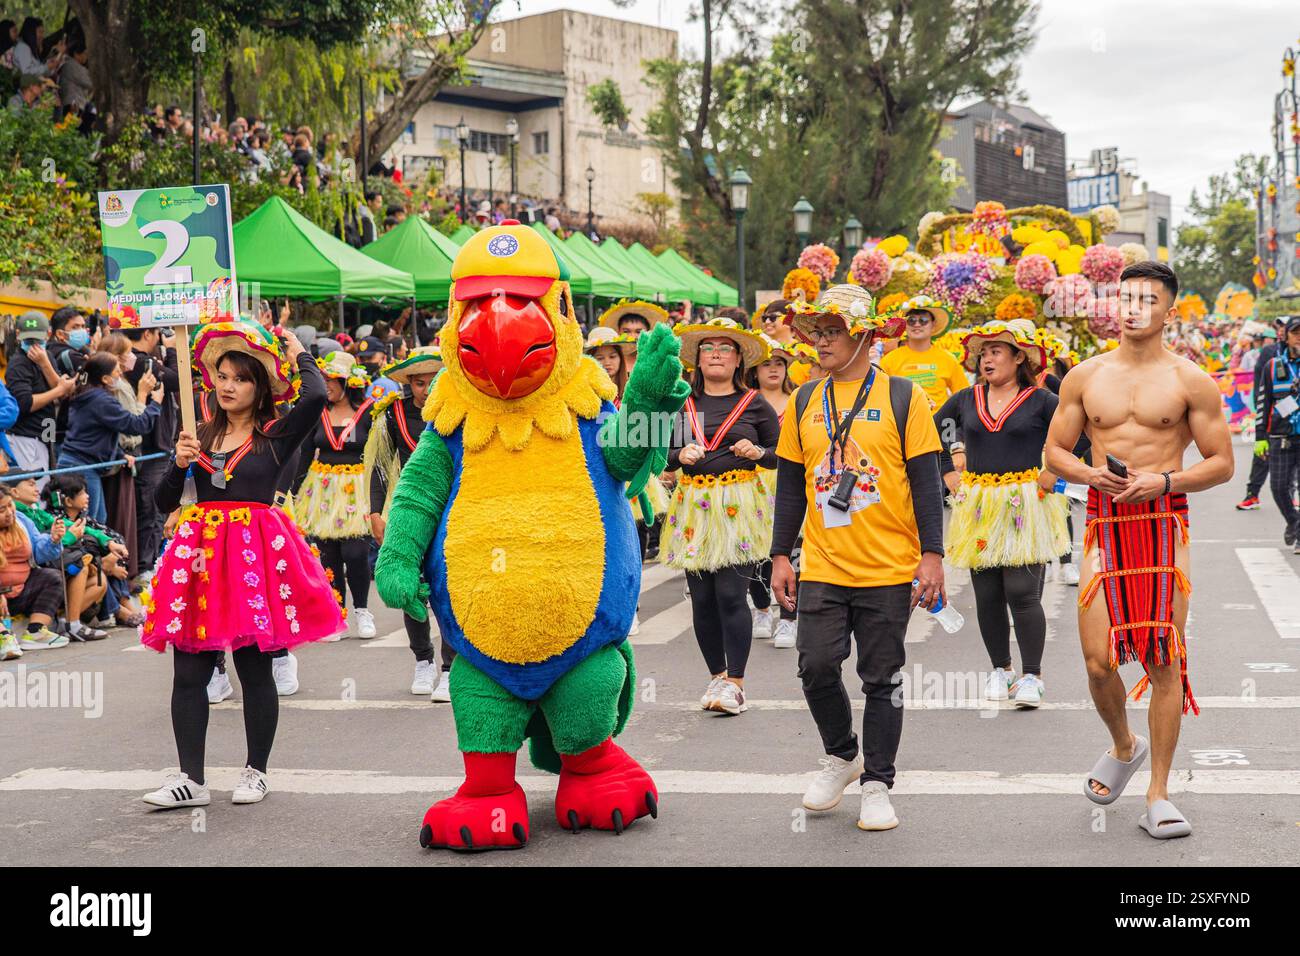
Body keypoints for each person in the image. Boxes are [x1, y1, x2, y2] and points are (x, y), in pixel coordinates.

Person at [1045, 261, 1233, 840]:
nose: (1133, 308)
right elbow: (1055, 452)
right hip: (1104, 521)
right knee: (1099, 660)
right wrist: (1089, 473)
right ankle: (1124, 745)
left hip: (1161, 523)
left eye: (1147, 300)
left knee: (1162, 657)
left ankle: (1158, 791)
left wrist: (1165, 481)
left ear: (1168, 311)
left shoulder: (1190, 380)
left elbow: (1222, 463)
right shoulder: (1084, 376)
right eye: (1125, 298)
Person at [140, 322, 344, 809]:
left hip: (252, 559)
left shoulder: (276, 436)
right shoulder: (201, 434)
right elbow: (163, 500)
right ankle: (191, 779)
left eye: (240, 378)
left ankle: (256, 771)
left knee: (255, 671)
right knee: (188, 672)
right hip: (202, 559)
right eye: (223, 377)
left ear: (259, 387)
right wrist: (179, 463)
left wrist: (298, 352)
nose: (228, 385)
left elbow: (314, 396)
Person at [769, 284, 945, 833]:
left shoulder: (903, 397)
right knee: (816, 666)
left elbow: (925, 481)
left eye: (832, 332)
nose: (821, 342)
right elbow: (792, 488)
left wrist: (933, 556)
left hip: (890, 566)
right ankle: (842, 755)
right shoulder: (803, 399)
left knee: (881, 676)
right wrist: (780, 554)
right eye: (816, 332)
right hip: (822, 563)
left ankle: (877, 783)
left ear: (863, 335)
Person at [934, 320, 1072, 707]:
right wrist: (948, 469)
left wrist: (1055, 470)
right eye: (983, 352)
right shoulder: (966, 398)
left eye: (996, 351)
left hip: (1025, 502)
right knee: (987, 593)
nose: (987, 358)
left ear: (1019, 357)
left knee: (1022, 592)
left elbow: (1078, 433)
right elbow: (934, 430)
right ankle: (1001, 669)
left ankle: (1032, 676)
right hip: (978, 504)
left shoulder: (1041, 400)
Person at [662, 317, 778, 716]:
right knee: (703, 598)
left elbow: (782, 454)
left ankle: (737, 683)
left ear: (737, 360)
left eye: (724, 348)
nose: (715, 353)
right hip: (694, 506)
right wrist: (679, 456)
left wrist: (757, 452)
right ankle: (716, 674)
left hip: (739, 506)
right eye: (708, 347)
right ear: (696, 359)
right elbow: (657, 453)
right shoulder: (681, 403)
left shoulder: (755, 403)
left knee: (732, 594)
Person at [365, 346, 457, 698]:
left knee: (447, 587)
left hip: (452, 511)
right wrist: (376, 512)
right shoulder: (392, 416)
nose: (427, 389)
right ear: (409, 385)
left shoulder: (459, 412)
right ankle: (423, 660)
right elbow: (379, 466)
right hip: (410, 512)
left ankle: (450, 667)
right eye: (419, 383)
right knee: (409, 586)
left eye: (434, 380)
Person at [291, 350, 376, 637]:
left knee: (356, 552)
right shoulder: (318, 412)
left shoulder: (368, 412)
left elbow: (377, 454)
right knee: (328, 555)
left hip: (356, 490)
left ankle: (362, 610)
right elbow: (303, 452)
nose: (326, 384)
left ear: (348, 382)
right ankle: (336, 615)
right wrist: (292, 490)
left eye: (333, 379)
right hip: (323, 490)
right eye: (323, 378)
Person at [55, 352, 160, 525]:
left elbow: (92, 433)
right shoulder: (100, 400)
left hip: (78, 464)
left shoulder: (86, 395)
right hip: (83, 466)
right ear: (105, 378)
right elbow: (136, 425)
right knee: (88, 524)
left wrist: (119, 455)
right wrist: (155, 404)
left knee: (98, 520)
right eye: (117, 372)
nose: (120, 375)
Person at [748, 335, 805, 648]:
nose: (773, 369)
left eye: (779, 363)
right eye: (766, 364)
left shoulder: (800, 398)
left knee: (792, 551)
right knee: (756, 552)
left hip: (790, 482)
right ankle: (760, 608)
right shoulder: (746, 401)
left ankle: (788, 618)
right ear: (754, 371)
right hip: (752, 485)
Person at [9, 476, 110, 640]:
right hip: (9, 587)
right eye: (31, 484)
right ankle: (74, 624)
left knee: (97, 578)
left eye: (9, 507)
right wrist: (66, 538)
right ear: (14, 492)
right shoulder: (23, 515)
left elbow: (41, 548)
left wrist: (108, 542)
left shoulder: (28, 515)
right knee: (80, 565)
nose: (36, 488)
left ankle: (58, 625)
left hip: (30, 579)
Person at [121, 326, 180, 577]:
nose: (160, 338)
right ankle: (146, 567)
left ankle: (147, 564)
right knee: (152, 508)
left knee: (152, 509)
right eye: (158, 333)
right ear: (147, 334)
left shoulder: (142, 360)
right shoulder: (138, 361)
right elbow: (178, 379)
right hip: (151, 447)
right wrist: (174, 349)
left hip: (155, 446)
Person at [4, 313, 74, 486]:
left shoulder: (47, 356)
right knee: (33, 487)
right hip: (26, 436)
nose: (34, 346)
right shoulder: (18, 363)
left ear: (48, 335)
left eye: (38, 340)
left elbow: (64, 390)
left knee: (48, 484)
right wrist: (58, 390)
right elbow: (25, 404)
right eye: (29, 341)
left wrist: (45, 364)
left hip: (46, 432)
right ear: (19, 335)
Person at [0, 484, 68, 651]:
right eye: (2, 510)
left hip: (22, 591)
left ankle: (35, 632)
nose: (9, 513)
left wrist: (53, 539)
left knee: (53, 577)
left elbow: (38, 552)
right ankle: (4, 637)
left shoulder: (22, 520)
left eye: (10, 505)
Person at [1253, 316, 1300, 549]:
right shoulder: (1273, 366)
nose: (1299, 336)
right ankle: (1294, 521)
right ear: (1286, 335)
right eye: (1296, 332)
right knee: (1279, 487)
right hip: (1281, 437)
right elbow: (1263, 402)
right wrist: (1259, 436)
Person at [879, 296, 967, 411]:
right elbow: (880, 398)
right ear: (905, 324)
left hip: (939, 425)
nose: (917, 324)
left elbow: (964, 397)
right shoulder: (889, 360)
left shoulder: (947, 359)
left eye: (923, 320)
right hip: (902, 425)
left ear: (933, 324)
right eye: (911, 320)